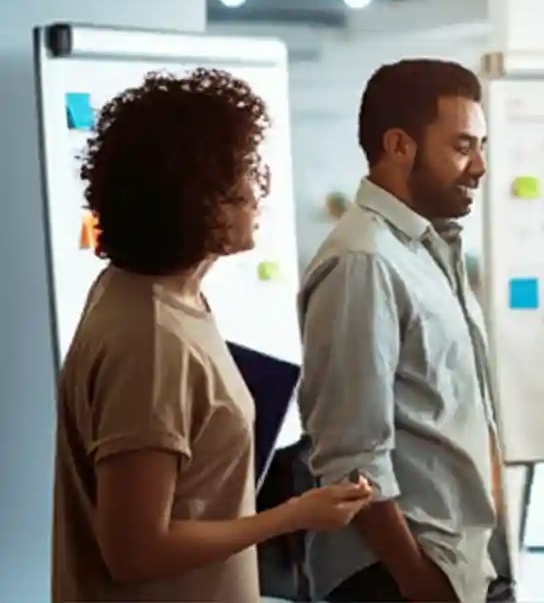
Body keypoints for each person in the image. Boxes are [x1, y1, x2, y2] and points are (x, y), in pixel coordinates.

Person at [52, 69, 373, 603]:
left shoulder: (148, 293)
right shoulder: (152, 342)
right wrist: (290, 516)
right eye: (242, 174)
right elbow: (135, 550)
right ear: (192, 198)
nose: (257, 192)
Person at [298, 59, 510, 602]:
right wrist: (418, 582)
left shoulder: (428, 251)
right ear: (399, 146)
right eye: (463, 146)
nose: (480, 166)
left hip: (459, 566)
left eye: (481, 145)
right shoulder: (363, 262)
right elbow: (352, 456)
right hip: (395, 580)